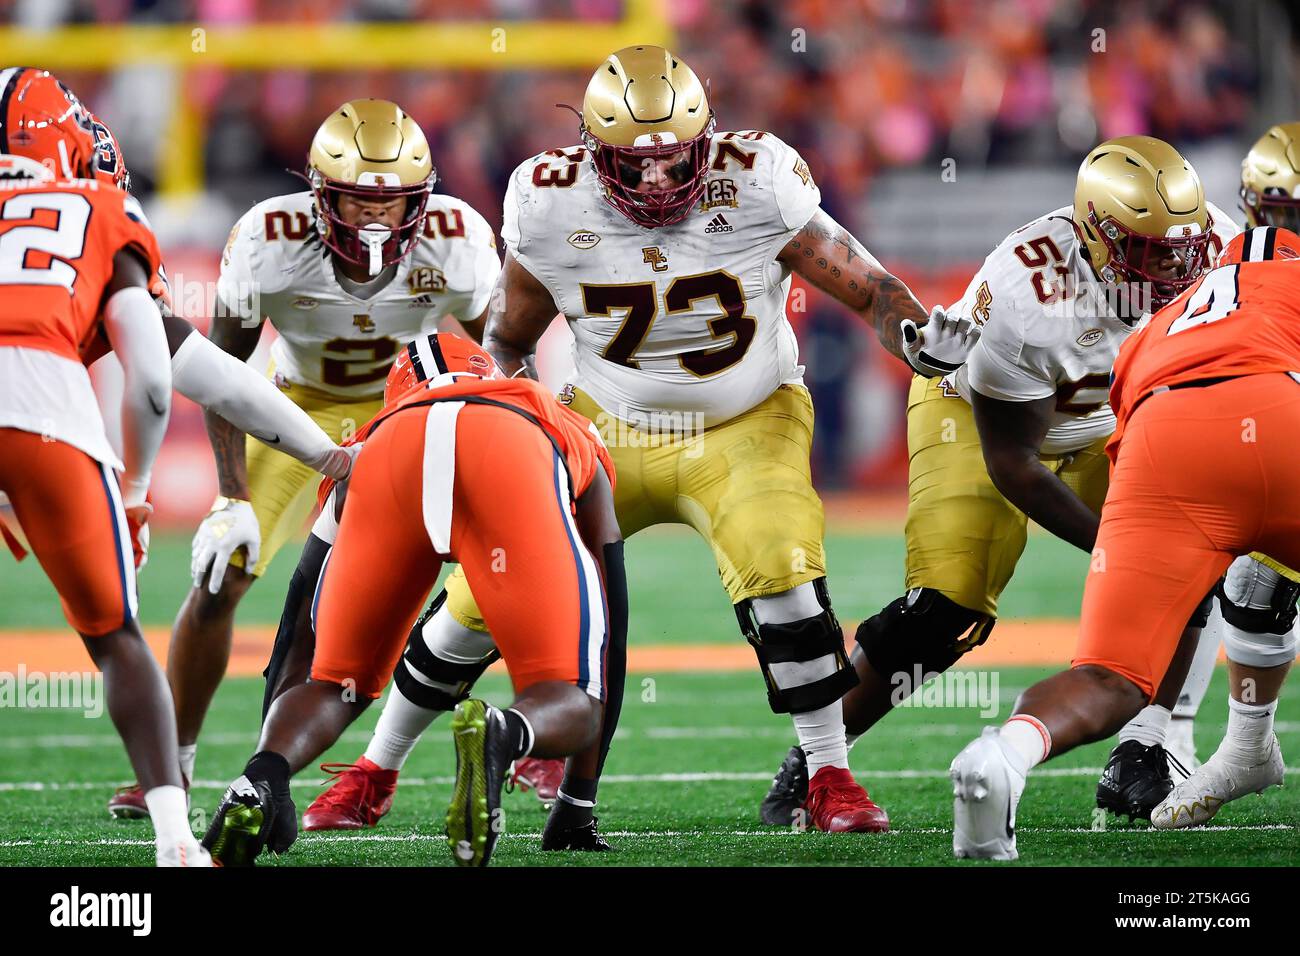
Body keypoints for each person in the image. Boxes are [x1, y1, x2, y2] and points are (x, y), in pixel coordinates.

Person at [303, 44, 979, 842]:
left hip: (746, 418)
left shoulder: (760, 180)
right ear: (593, 151)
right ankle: (372, 771)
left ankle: (828, 774)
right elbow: (510, 338)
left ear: (708, 141)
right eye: (635, 164)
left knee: (783, 570)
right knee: (480, 596)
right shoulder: (550, 201)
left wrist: (919, 343)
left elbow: (870, 291)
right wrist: (509, 437)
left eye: (673, 161)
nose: (658, 181)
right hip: (602, 424)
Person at [762, 136, 1240, 826]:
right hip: (980, 422)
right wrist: (1121, 545)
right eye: (1149, 250)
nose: (1172, 267)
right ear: (1095, 238)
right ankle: (818, 757)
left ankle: (1149, 744)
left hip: (1111, 427)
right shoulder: (1026, 288)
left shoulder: (1214, 248)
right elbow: (1013, 462)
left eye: (1182, 248)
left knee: (1192, 557)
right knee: (946, 613)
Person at [108, 98, 500, 813]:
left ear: (424, 198)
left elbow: (498, 359)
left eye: (395, 204)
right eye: (358, 202)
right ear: (321, 196)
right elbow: (218, 369)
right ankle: (175, 763)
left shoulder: (459, 239)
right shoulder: (268, 236)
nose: (377, 222)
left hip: (404, 417)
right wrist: (230, 501)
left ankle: (374, 764)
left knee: (461, 579)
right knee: (220, 574)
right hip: (292, 410)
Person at [202, 334, 624, 868]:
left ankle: (254, 784)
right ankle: (503, 733)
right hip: (511, 442)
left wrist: (271, 772)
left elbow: (299, 621)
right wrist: (577, 803)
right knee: (569, 694)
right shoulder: (552, 415)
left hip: (392, 456)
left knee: (336, 686)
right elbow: (613, 618)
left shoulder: (374, 434)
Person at [951, 225, 1300, 860]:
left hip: (1161, 439)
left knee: (1110, 678)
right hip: (1278, 412)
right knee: (1265, 567)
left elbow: (1126, 425)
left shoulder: (1160, 323)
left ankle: (1006, 752)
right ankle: (1248, 740)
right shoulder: (1288, 279)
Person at [0, 67, 206, 866]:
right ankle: (176, 841)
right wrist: (135, 490)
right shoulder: (101, 208)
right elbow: (152, 378)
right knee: (116, 635)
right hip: (47, 408)